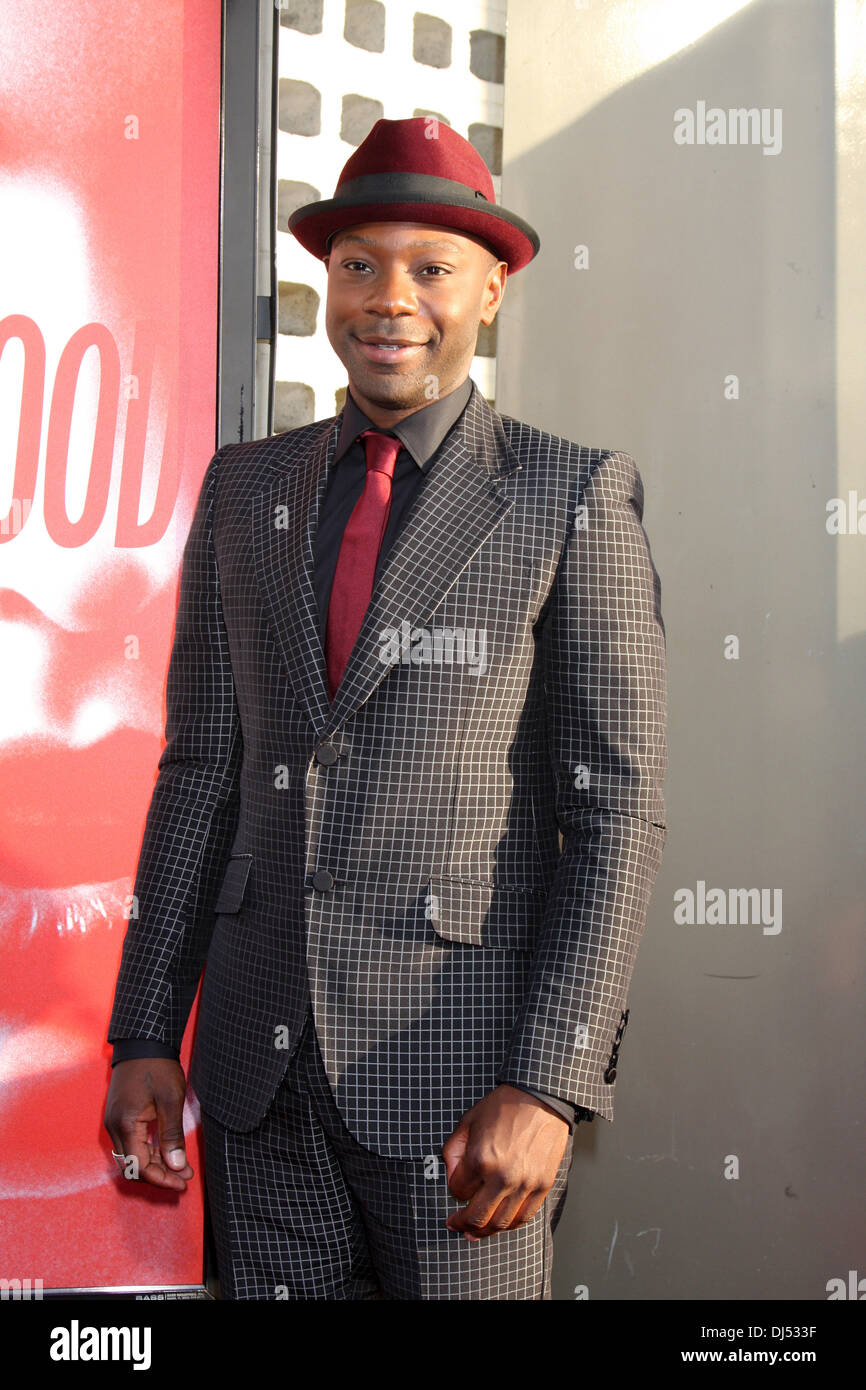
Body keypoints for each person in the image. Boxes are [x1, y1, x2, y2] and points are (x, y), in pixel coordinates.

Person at [104, 116, 668, 1301]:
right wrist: (146, 1027)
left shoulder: (567, 495)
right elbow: (201, 768)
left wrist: (548, 1084)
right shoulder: (245, 486)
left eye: (430, 268)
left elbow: (613, 818)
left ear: (491, 290)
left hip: (466, 1101)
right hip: (259, 1092)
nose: (388, 300)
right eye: (358, 264)